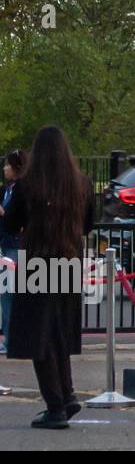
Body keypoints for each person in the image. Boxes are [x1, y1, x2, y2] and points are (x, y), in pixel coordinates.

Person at [2, 128, 94, 429]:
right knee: (59, 334)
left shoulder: (29, 184)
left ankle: (55, 404)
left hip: (38, 260)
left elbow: (13, 222)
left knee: (37, 336)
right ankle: (67, 395)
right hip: (69, 259)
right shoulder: (81, 184)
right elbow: (89, 224)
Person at [0, 149, 26, 355]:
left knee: (10, 292)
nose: (4, 168)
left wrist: (2, 212)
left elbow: (15, 219)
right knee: (6, 293)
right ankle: (10, 337)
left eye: (7, 165)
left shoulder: (22, 189)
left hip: (16, 245)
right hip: (7, 243)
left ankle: (11, 339)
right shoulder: (8, 189)